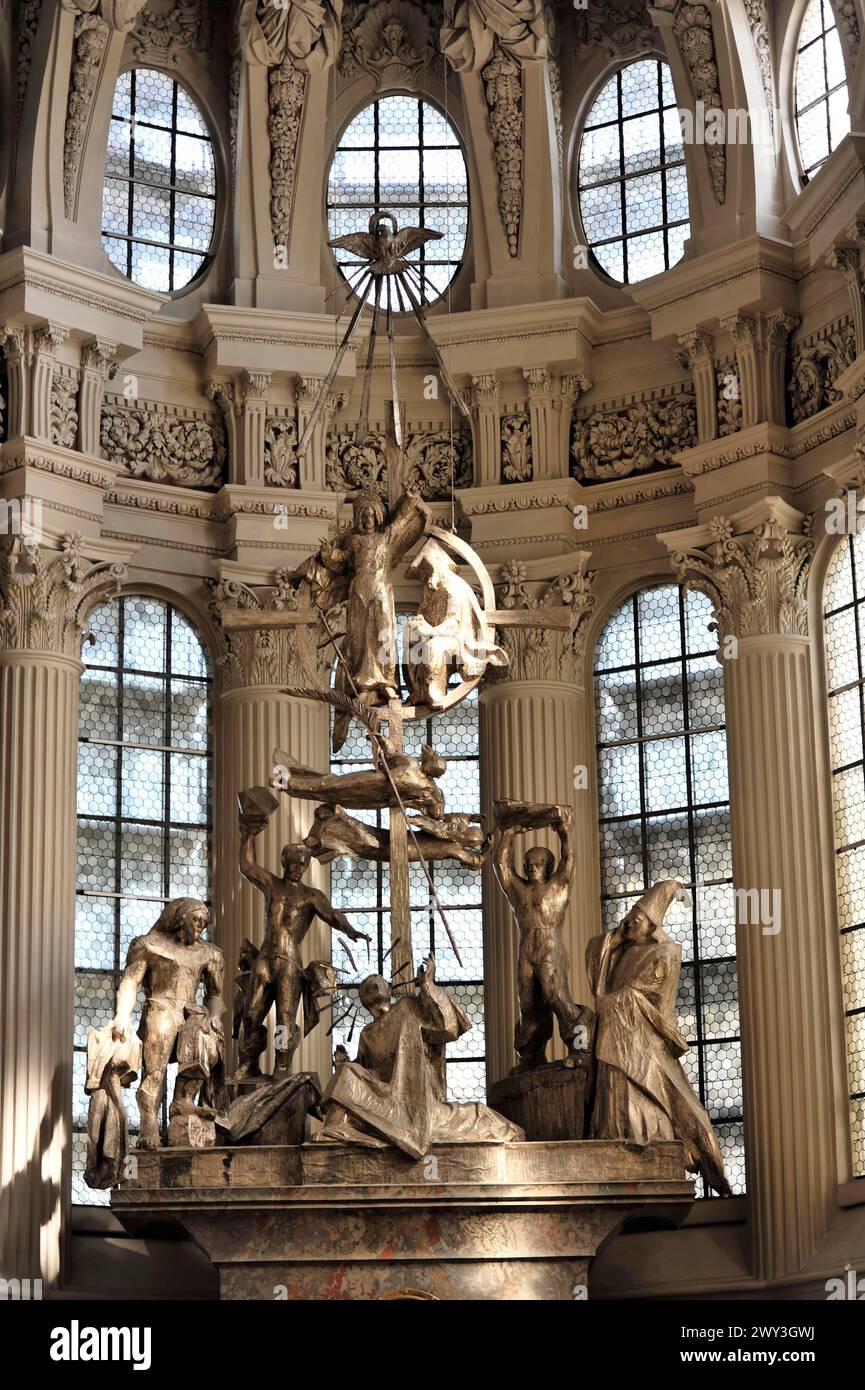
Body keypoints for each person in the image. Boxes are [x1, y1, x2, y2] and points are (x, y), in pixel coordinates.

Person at [585, 879, 732, 1198]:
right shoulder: (619, 950)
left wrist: (608, 1000)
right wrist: (614, 943)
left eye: (636, 920)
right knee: (614, 1091)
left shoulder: (664, 953)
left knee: (649, 1092)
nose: (628, 922)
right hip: (614, 1034)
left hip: (640, 1041)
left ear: (651, 925)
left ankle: (650, 1149)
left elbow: (646, 997)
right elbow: (598, 953)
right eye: (629, 916)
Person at [316, 955, 523, 1159]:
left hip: (413, 1096)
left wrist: (427, 985)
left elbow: (445, 1027)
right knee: (346, 1073)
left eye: (379, 980)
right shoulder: (366, 1034)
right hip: (383, 1097)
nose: (374, 980)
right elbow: (367, 1072)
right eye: (369, 983)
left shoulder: (407, 1006)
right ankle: (337, 1128)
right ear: (364, 1000)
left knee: (473, 1115)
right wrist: (344, 1065)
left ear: (388, 989)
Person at [234, 809, 370, 1079]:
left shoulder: (311, 895)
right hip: (265, 957)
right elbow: (247, 867)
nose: (297, 868)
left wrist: (351, 930)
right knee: (250, 1015)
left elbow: (331, 914)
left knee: (285, 1020)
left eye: (302, 864)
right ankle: (248, 1063)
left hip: (290, 962)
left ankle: (281, 1067)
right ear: (285, 862)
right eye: (293, 863)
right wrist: (249, 834)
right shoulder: (272, 885)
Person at [109, 897, 225, 1150]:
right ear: (181, 918)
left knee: (208, 1041)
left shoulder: (210, 953)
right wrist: (122, 1016)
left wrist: (213, 1017)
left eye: (204, 924)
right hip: (160, 1006)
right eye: (196, 921)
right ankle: (148, 1123)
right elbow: (130, 982)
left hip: (190, 1012)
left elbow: (215, 996)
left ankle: (183, 1100)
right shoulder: (149, 945)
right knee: (155, 1070)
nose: (200, 928)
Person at [493, 803, 591, 1070]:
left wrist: (564, 832)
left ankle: (580, 1047)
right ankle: (531, 1056)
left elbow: (568, 859)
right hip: (526, 950)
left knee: (556, 997)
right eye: (528, 864)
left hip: (550, 947)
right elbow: (500, 865)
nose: (531, 868)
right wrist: (508, 833)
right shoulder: (518, 891)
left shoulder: (558, 887)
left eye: (537, 864)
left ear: (548, 868)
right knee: (527, 1004)